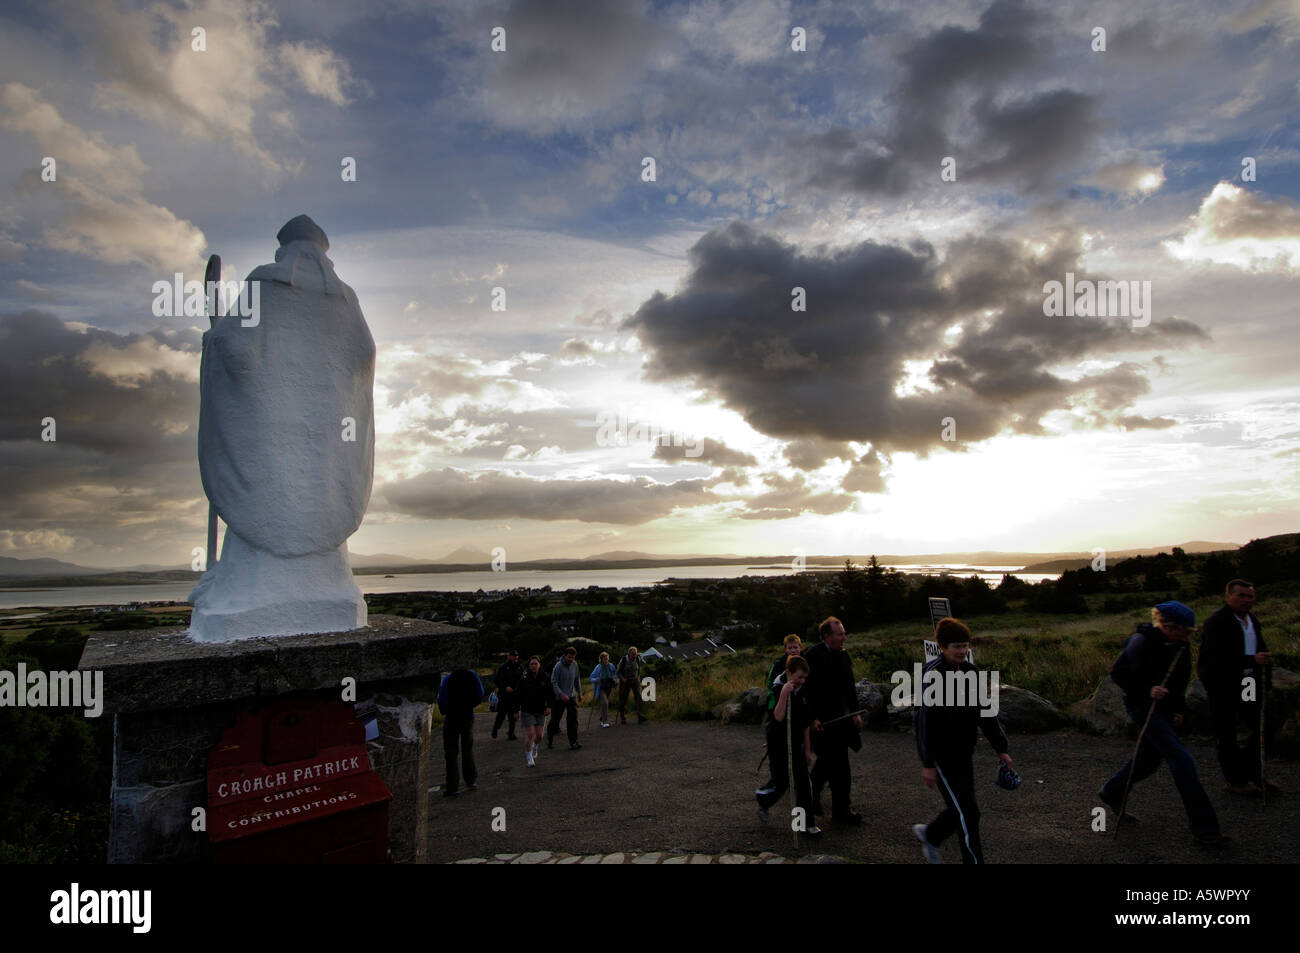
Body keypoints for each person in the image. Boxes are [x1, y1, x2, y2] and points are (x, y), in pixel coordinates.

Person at [1099, 602, 1228, 847]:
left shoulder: (1180, 645)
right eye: (1180, 630)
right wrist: (1148, 690)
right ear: (1165, 624)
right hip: (1142, 707)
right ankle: (1206, 830)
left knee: (1149, 759)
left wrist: (1178, 709)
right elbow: (1119, 674)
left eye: (1188, 632)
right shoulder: (1141, 640)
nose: (1185, 636)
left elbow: (1179, 680)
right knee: (1182, 761)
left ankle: (1113, 791)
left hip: (1165, 710)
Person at [912, 618, 1011, 864]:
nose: (962, 651)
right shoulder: (933, 675)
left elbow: (985, 713)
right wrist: (927, 763)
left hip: (964, 752)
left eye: (965, 646)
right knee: (967, 813)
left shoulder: (970, 672)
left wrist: (1001, 748)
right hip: (942, 756)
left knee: (966, 810)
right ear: (942, 647)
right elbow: (924, 723)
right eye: (956, 646)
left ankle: (931, 835)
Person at [1198, 579, 1277, 796]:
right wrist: (1252, 661)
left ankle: (1252, 772)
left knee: (1262, 725)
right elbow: (1217, 658)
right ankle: (1235, 780)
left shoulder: (1252, 620)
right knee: (1227, 732)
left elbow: (1260, 650)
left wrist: (1264, 676)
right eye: (1241, 595)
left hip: (1248, 682)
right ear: (1228, 596)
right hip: (1223, 684)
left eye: (1250, 596)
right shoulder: (1217, 622)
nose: (1246, 600)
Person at [804, 616, 862, 825]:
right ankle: (813, 798)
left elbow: (849, 687)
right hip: (821, 724)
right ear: (827, 636)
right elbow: (805, 691)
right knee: (829, 764)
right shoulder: (812, 656)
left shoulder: (843, 656)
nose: (844, 637)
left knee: (841, 769)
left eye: (844, 633)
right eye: (840, 634)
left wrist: (854, 712)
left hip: (841, 721)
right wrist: (811, 718)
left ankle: (840, 812)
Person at [755, 656, 820, 837]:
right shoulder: (776, 689)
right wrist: (784, 693)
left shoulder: (803, 690)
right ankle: (763, 800)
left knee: (803, 783)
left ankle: (805, 824)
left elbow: (806, 723)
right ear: (789, 673)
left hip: (797, 742)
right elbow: (778, 716)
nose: (802, 681)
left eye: (805, 678)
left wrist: (807, 750)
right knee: (782, 781)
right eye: (799, 677)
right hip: (778, 743)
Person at [437, 666, 484, 796]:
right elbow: (480, 694)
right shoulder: (472, 675)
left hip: (452, 718)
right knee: (467, 748)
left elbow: (442, 700)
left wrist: (446, 710)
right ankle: (470, 780)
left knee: (451, 752)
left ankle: (452, 786)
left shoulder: (448, 679)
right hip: (467, 716)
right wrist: (470, 706)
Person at [547, 645, 583, 750]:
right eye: (569, 657)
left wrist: (579, 692)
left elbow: (577, 679)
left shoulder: (574, 665)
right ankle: (549, 739)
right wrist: (560, 694)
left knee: (573, 720)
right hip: (560, 697)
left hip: (571, 696)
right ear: (565, 656)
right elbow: (554, 682)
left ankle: (573, 742)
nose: (571, 660)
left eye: (573, 657)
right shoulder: (558, 666)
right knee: (555, 720)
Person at [518, 656, 551, 767]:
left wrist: (549, 706)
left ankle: (535, 747)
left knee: (540, 736)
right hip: (527, 710)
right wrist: (515, 710)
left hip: (540, 709)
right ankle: (528, 756)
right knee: (531, 734)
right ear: (529, 665)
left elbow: (550, 692)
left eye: (535, 664)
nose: (533, 666)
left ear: (539, 664)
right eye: (531, 664)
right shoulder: (524, 678)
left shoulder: (545, 677)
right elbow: (518, 694)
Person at [491, 649, 524, 740]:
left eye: (516, 656)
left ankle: (511, 734)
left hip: (514, 695)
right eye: (513, 656)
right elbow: (497, 680)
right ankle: (495, 729)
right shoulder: (504, 667)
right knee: (501, 715)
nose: (515, 657)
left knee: (513, 715)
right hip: (504, 696)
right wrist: (505, 687)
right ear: (509, 656)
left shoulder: (520, 667)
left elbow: (521, 680)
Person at [616, 645, 649, 725]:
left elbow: (638, 670)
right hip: (625, 681)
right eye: (633, 654)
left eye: (635, 654)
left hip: (635, 681)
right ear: (629, 654)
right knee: (623, 699)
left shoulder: (637, 659)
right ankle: (623, 717)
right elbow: (618, 671)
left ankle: (640, 717)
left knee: (639, 697)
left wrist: (638, 678)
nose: (634, 656)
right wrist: (622, 679)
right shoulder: (624, 660)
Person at [589, 652, 618, 728]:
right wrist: (596, 679)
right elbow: (591, 678)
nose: (606, 661)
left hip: (608, 687)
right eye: (605, 659)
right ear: (601, 659)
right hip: (601, 688)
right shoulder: (598, 667)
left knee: (605, 704)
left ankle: (602, 719)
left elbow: (615, 674)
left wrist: (614, 680)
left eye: (607, 659)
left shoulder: (611, 666)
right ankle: (605, 721)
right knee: (605, 703)